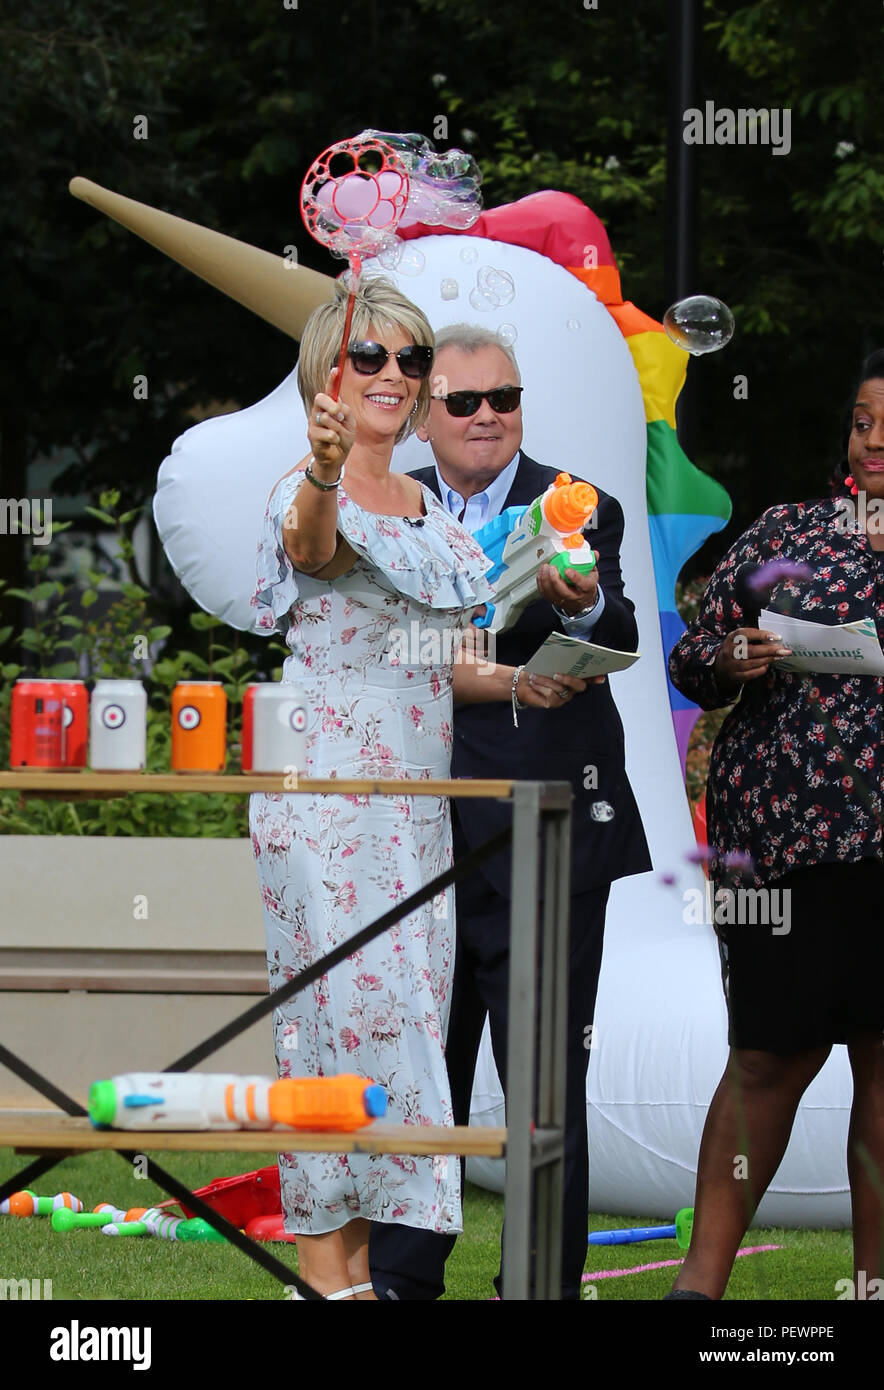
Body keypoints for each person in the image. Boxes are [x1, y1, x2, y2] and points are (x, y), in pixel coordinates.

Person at [249, 281, 588, 1301]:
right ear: (327, 375)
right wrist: (318, 474)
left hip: (410, 804)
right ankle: (329, 1276)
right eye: (370, 359)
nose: (393, 375)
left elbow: (431, 653)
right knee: (332, 1028)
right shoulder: (305, 488)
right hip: (325, 797)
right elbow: (313, 547)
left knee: (395, 1030)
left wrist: (524, 671)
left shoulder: (431, 515)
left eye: (409, 359)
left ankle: (353, 1279)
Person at [370, 323, 651, 1300]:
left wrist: (574, 607)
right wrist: (490, 676)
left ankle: (535, 1286)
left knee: (540, 1081)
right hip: (418, 828)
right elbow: (375, 658)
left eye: (504, 397)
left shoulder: (576, 503)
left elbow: (614, 628)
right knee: (418, 1066)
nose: (486, 416)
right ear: (424, 412)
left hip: (550, 826)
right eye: (463, 401)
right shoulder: (385, 508)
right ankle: (401, 1277)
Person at [665, 351, 884, 1300]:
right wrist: (732, 655)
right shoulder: (787, 533)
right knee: (763, 1056)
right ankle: (698, 1290)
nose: (875, 440)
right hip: (781, 845)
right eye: (865, 421)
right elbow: (691, 653)